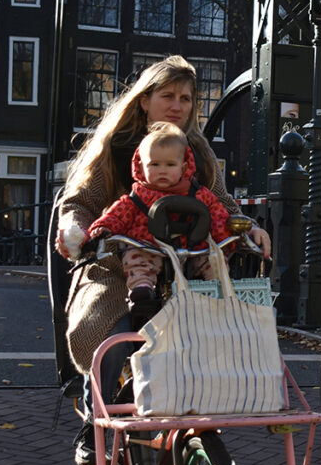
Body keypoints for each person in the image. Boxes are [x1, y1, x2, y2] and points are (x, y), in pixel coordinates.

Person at [55, 55, 271, 465]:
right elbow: (80, 202)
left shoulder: (198, 151)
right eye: (168, 95)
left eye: (187, 98)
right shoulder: (116, 148)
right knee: (110, 336)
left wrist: (249, 228)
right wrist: (75, 229)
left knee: (213, 336)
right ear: (144, 100)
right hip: (119, 266)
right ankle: (94, 421)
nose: (179, 105)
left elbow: (221, 203)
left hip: (183, 269)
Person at [80, 121, 233, 327]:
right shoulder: (138, 196)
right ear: (141, 165)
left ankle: (218, 292)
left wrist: (229, 239)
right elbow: (118, 214)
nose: (162, 171)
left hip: (191, 250)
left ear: (184, 167)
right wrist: (102, 230)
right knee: (136, 256)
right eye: (154, 164)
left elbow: (217, 215)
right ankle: (142, 291)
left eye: (170, 165)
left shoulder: (198, 194)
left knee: (214, 258)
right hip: (151, 247)